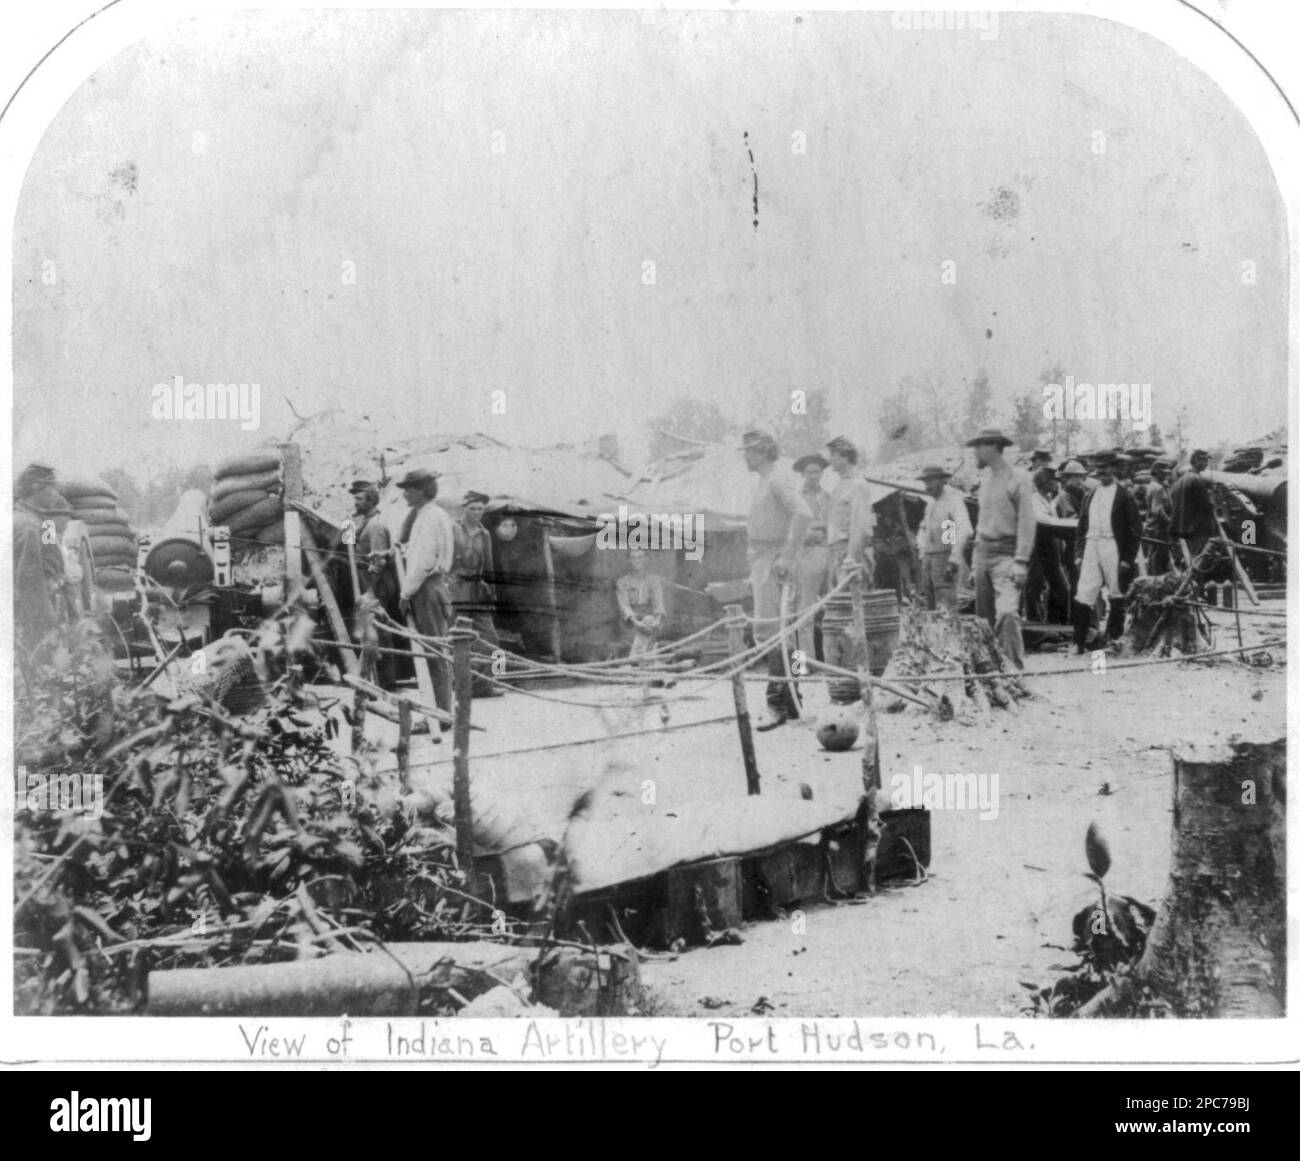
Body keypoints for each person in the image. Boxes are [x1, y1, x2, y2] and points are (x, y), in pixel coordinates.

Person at [741, 430, 813, 730]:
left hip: (773, 561)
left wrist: (787, 554)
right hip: (763, 559)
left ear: (760, 452)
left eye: (748, 451)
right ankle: (793, 698)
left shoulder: (776, 479)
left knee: (772, 630)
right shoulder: (764, 481)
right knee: (784, 631)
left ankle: (776, 703)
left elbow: (803, 514)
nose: (744, 456)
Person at [967, 428, 1036, 671]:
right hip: (982, 554)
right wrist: (975, 562)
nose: (975, 451)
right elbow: (979, 524)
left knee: (1006, 613)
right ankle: (989, 672)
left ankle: (1013, 671)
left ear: (993, 447)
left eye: (979, 446)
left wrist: (1021, 560)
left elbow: (1027, 522)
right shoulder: (985, 482)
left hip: (1007, 554)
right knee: (982, 620)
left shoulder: (1018, 478)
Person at [396, 468, 455, 723]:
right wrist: (402, 549)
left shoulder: (430, 517)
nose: (405, 494)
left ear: (421, 490)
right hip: (432, 585)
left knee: (434, 653)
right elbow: (420, 549)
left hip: (426, 588)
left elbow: (422, 561)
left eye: (408, 489)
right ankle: (440, 712)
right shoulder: (430, 514)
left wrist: (406, 593)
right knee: (436, 651)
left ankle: (440, 715)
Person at [1071, 452, 1143, 653]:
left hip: (1113, 546)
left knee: (1116, 591)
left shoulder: (1124, 495)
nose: (1101, 473)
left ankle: (1114, 639)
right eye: (1098, 469)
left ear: (1114, 468)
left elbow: (1135, 530)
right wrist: (1079, 553)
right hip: (1091, 545)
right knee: (1084, 592)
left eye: (1105, 468)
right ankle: (1079, 642)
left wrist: (1128, 558)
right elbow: (1081, 527)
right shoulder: (1090, 495)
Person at [451, 490, 503, 693]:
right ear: (463, 509)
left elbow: (489, 566)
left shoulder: (485, 534)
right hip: (456, 589)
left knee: (490, 637)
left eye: (480, 509)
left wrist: (492, 593)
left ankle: (483, 685)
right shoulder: (453, 529)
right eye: (472, 508)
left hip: (478, 590)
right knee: (456, 636)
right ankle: (457, 685)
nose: (476, 512)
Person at [13, 463, 62, 671]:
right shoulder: (28, 526)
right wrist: (48, 620)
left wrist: (53, 574)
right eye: (51, 488)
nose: (56, 494)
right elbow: (29, 580)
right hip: (32, 614)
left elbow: (53, 556)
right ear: (35, 488)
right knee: (38, 664)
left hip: (47, 599)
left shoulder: (43, 521)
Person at [790, 453, 831, 660]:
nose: (813, 476)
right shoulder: (796, 498)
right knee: (805, 609)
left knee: (834, 605)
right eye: (808, 472)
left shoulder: (827, 496)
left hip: (829, 553)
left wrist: (823, 528)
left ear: (822, 473)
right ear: (802, 474)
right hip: (806, 556)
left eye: (816, 472)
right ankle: (806, 662)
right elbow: (792, 528)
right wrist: (814, 530)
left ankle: (834, 658)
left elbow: (835, 523)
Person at [915, 465, 971, 614]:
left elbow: (964, 530)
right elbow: (923, 528)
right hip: (928, 559)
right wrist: (922, 549)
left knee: (946, 608)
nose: (927, 486)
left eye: (931, 481)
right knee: (930, 607)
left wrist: (953, 558)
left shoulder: (953, 501)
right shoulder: (931, 504)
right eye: (925, 482)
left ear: (941, 481)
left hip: (943, 558)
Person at [1026, 466, 1074, 624]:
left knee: (1056, 588)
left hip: (1050, 550)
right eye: (1054, 480)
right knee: (1035, 586)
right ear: (1044, 482)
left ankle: (1053, 624)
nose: (1056, 484)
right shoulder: (1035, 500)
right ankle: (1035, 622)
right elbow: (1043, 521)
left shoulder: (1047, 500)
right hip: (1039, 549)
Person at [1169, 449, 1216, 569]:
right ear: (1195, 461)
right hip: (1197, 529)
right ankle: (1198, 586)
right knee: (1199, 561)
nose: (1206, 463)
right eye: (1204, 460)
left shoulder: (1179, 482)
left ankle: (1191, 584)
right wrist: (1213, 500)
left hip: (1182, 529)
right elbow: (1206, 505)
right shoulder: (1196, 479)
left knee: (1189, 558)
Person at [615, 547, 666, 657]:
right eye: (633, 558)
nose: (636, 561)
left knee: (649, 648)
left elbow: (658, 603)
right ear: (629, 560)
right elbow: (624, 605)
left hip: (649, 619)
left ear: (645, 559)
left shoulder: (654, 580)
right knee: (633, 648)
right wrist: (636, 622)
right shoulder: (622, 582)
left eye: (639, 557)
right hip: (631, 622)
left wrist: (657, 621)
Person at [1142, 457, 1175, 577]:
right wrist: (1170, 522)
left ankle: (1154, 581)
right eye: (1164, 473)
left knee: (1154, 556)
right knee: (1159, 558)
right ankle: (1156, 583)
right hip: (1159, 528)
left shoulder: (1152, 486)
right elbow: (1157, 510)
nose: (1166, 476)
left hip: (1154, 527)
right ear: (1158, 472)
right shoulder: (1158, 488)